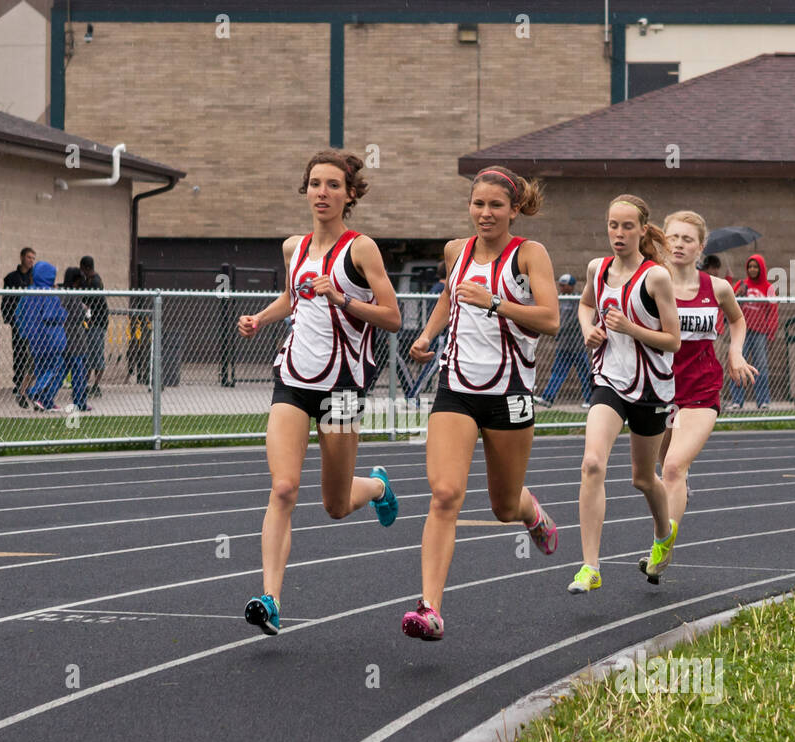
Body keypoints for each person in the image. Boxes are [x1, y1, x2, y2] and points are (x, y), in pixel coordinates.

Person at [235, 150, 403, 636]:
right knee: (284, 487)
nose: (322, 193)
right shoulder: (294, 247)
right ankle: (270, 598)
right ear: (304, 190)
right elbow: (293, 296)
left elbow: (392, 317)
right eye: (314, 184)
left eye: (333, 185)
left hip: (343, 388)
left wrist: (342, 297)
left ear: (350, 194)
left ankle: (376, 486)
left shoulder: (361, 250)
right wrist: (260, 319)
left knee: (334, 504)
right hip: (293, 378)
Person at [403, 165, 560, 641]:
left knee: (503, 505)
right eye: (478, 204)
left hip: (510, 394)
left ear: (514, 209)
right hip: (457, 389)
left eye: (495, 205)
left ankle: (530, 511)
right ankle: (430, 608)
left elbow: (550, 318)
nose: (485, 213)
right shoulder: (456, 251)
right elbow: (451, 299)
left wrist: (494, 302)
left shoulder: (530, 254)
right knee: (445, 494)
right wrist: (428, 335)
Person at [568, 194, 681, 595]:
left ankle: (663, 533)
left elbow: (673, 341)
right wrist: (588, 329)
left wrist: (631, 328)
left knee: (642, 479)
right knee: (592, 463)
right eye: (613, 225)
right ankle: (590, 566)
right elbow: (584, 306)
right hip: (609, 381)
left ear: (642, 230)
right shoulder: (597, 269)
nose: (618, 234)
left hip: (651, 388)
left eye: (627, 226)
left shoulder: (656, 278)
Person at [657, 210, 757, 534]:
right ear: (663, 240)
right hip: (659, 390)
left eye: (687, 239)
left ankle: (662, 552)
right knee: (665, 468)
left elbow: (738, 320)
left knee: (672, 467)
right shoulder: (651, 284)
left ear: (700, 247)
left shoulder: (717, 288)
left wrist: (735, 351)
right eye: (673, 237)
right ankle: (680, 486)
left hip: (701, 389)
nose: (679, 244)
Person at [536, 272, 594, 408]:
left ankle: (590, 400)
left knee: (584, 373)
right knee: (558, 371)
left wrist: (558, 330)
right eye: (560, 285)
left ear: (571, 286)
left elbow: (574, 320)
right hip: (563, 345)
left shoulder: (577, 300)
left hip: (577, 345)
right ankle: (548, 398)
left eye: (564, 285)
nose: (561, 287)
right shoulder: (559, 299)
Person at [729, 253, 777, 409]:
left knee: (760, 366)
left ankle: (763, 401)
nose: (752, 269)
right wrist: (737, 295)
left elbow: (773, 311)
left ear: (761, 268)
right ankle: (737, 401)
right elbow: (729, 304)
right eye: (750, 266)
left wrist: (771, 331)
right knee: (737, 365)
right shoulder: (742, 284)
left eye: (756, 266)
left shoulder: (768, 288)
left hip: (759, 332)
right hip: (741, 333)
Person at [17, 260, 66, 412]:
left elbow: (18, 314)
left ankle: (44, 401)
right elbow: (53, 316)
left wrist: (25, 331)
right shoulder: (49, 294)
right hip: (50, 339)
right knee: (56, 366)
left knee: (40, 369)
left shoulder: (28, 293)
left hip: (34, 340)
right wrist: (64, 314)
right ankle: (34, 392)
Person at [2, 247, 35, 408]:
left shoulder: (34, 277)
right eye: (28, 257)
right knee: (19, 352)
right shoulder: (12, 278)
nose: (31, 260)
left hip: (33, 323)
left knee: (31, 354)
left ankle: (27, 385)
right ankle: (18, 382)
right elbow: (6, 300)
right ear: (22, 257)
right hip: (19, 322)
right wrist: (9, 317)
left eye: (33, 258)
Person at [58, 266, 92, 411]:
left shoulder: (63, 294)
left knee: (63, 370)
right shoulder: (70, 295)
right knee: (78, 370)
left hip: (69, 338)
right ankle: (80, 401)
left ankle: (44, 396)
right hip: (74, 339)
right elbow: (77, 316)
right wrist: (84, 310)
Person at [79, 255, 108, 397]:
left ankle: (96, 385)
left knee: (96, 353)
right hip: (92, 322)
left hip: (98, 322)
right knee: (89, 354)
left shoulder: (96, 282)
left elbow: (92, 302)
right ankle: (86, 384)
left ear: (86, 267)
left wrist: (89, 316)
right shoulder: (89, 281)